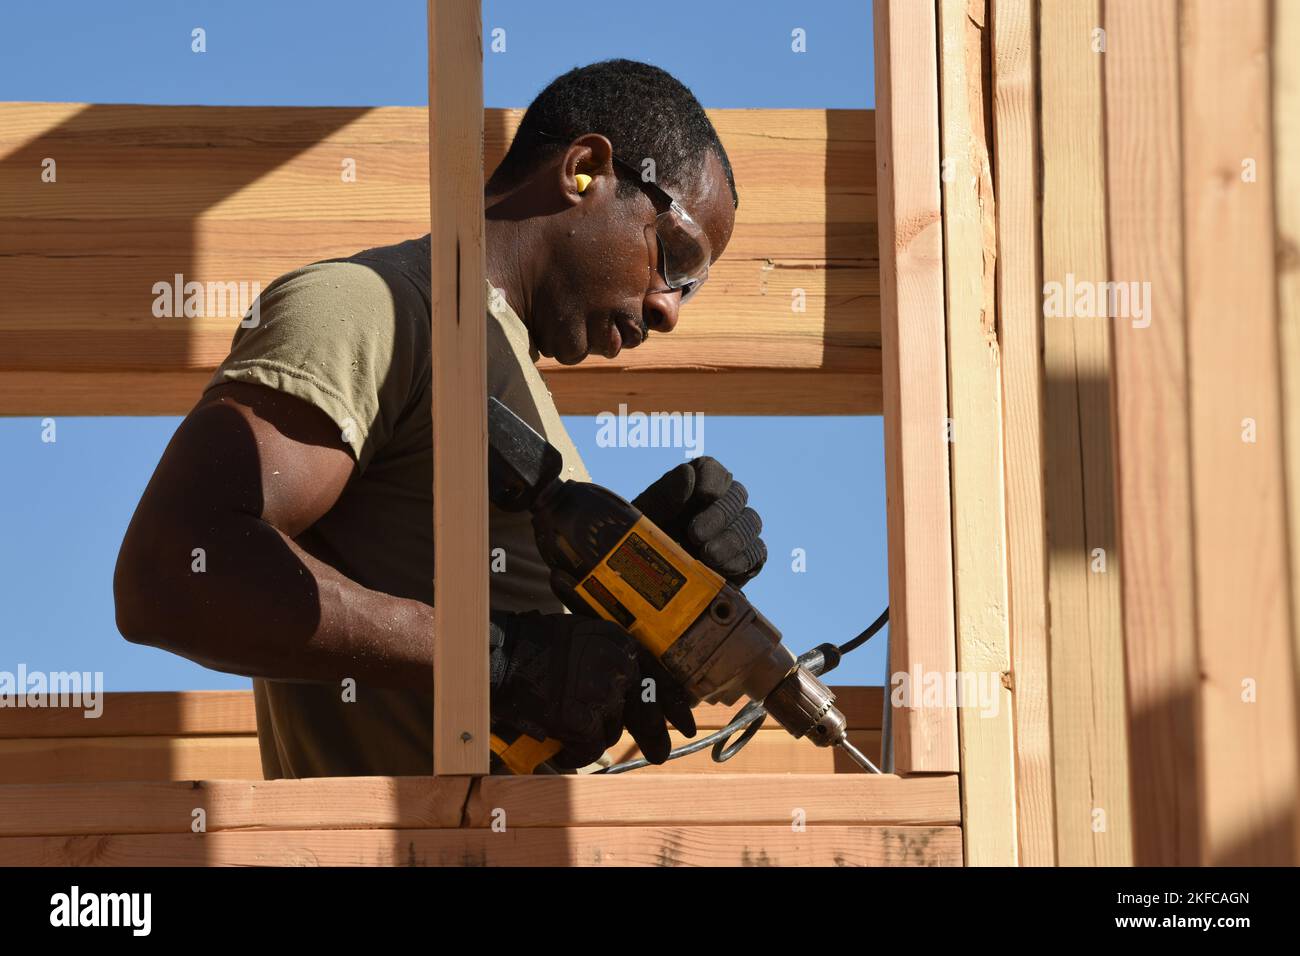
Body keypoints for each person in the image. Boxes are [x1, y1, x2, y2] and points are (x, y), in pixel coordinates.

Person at [113, 59, 767, 778]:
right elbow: (171, 568)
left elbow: (536, 696)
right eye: (673, 257)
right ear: (584, 170)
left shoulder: (512, 380)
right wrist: (493, 658)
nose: (669, 309)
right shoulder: (380, 307)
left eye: (692, 290)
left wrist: (642, 601)